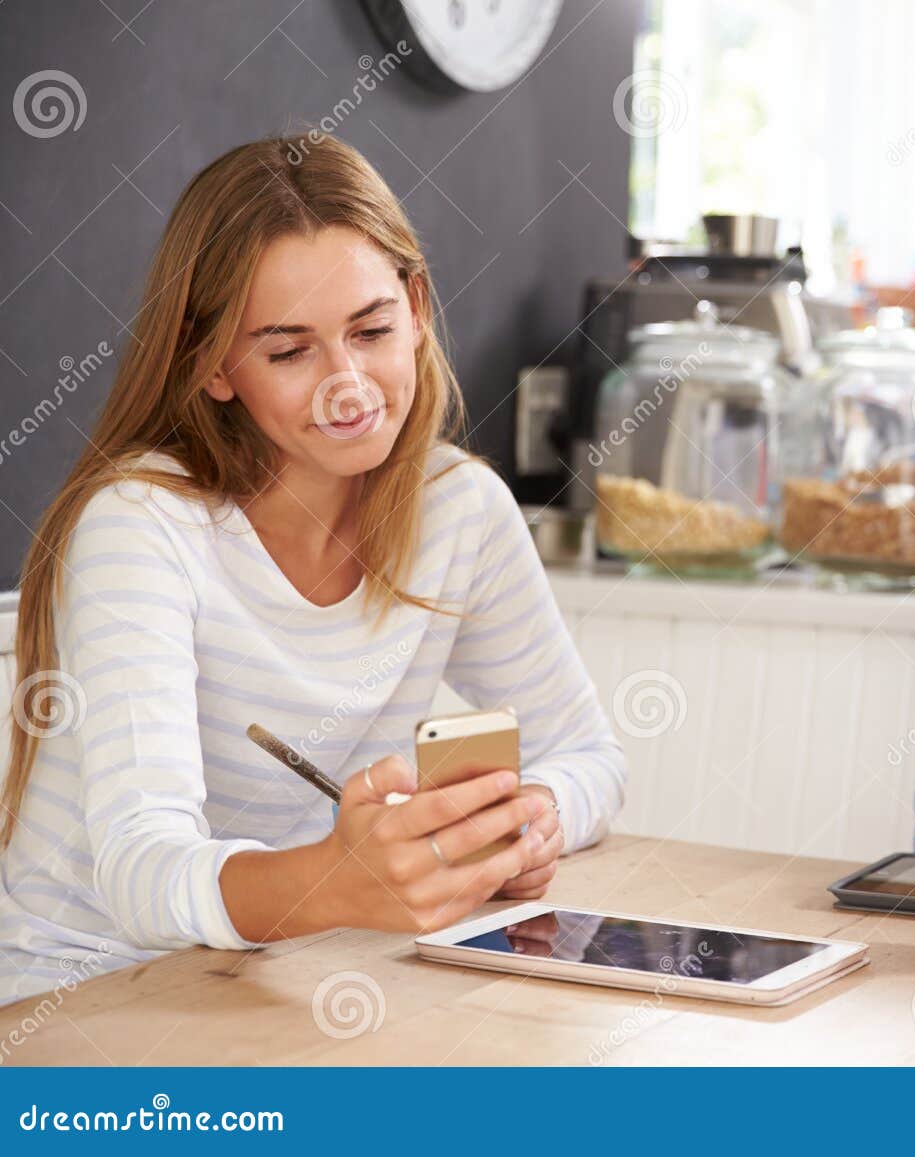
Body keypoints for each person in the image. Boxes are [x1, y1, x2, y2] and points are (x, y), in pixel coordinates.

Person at [0, 135, 625, 1003]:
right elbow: (142, 874)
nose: (348, 385)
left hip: (284, 978)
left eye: (371, 331)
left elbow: (588, 751)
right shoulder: (141, 526)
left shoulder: (460, 508)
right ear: (214, 364)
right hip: (81, 1001)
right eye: (289, 351)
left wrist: (528, 823)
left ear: (415, 307)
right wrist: (336, 879)